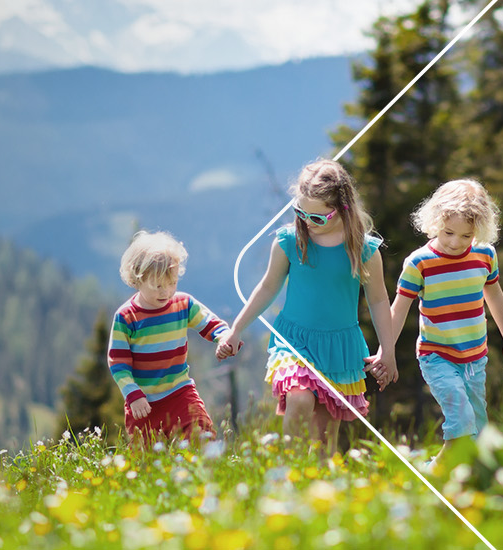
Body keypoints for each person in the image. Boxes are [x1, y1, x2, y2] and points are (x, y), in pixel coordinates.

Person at [216, 159, 398, 454]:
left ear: (343, 208)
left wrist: (387, 351)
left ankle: (315, 488)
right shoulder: (290, 241)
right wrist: (236, 329)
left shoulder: (363, 250)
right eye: (300, 213)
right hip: (295, 340)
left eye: (318, 217)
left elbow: (378, 300)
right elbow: (267, 287)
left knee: (325, 439)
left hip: (339, 348)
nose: (308, 222)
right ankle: (289, 468)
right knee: (300, 398)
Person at [374, 179, 503, 466]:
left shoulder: (485, 255)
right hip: (437, 356)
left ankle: (470, 480)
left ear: (479, 230)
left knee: (479, 428)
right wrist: (385, 351)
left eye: (466, 236)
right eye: (448, 232)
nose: (455, 242)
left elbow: (495, 295)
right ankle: (434, 473)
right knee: (462, 419)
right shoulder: (420, 262)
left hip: (475, 357)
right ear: (434, 221)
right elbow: (399, 308)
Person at [108, 231, 228, 441]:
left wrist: (224, 336)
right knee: (145, 462)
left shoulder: (183, 304)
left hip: (180, 392)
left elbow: (209, 323)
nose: (166, 292)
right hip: (142, 402)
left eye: (172, 283)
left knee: (202, 437)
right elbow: (118, 363)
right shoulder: (126, 317)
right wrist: (133, 394)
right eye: (158, 286)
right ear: (138, 279)